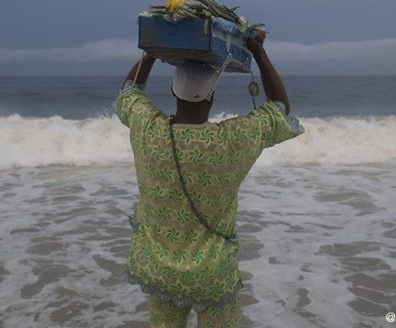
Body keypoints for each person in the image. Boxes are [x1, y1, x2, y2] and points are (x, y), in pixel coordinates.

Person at [115, 31, 304, 328]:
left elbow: (129, 91)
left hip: (158, 267)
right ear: (212, 96)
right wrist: (259, 53)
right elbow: (280, 108)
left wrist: (151, 52)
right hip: (213, 273)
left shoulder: (147, 129)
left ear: (174, 91)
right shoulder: (232, 140)